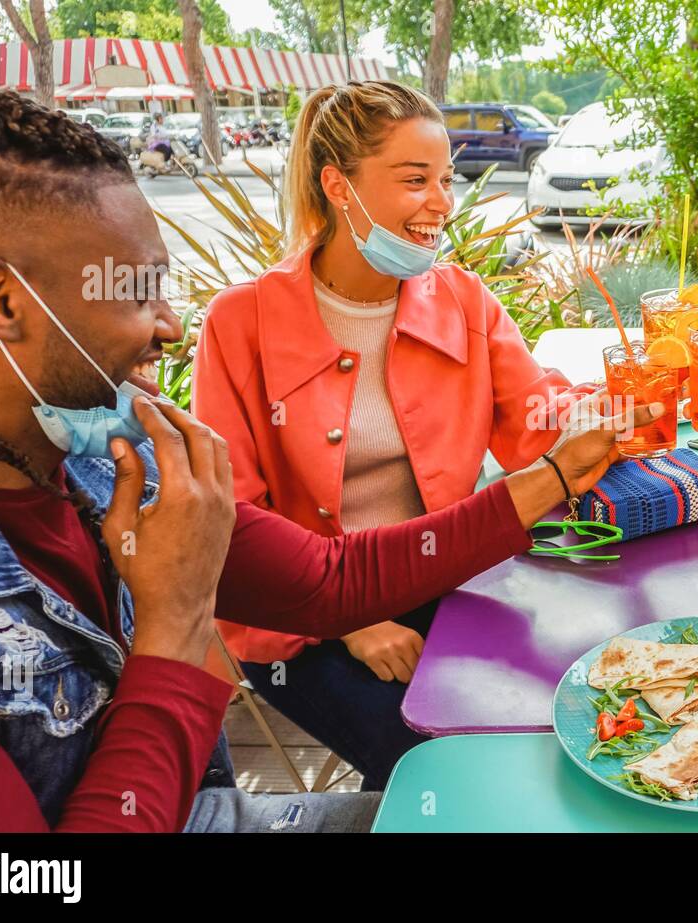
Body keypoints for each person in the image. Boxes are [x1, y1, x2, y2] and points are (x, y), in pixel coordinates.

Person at [0, 87, 660, 832]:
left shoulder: (105, 463)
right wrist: (177, 620)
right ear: (3, 301)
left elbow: (329, 576)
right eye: (138, 290)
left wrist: (559, 471)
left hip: (205, 803)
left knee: (478, 805)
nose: (171, 328)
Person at [192, 81, 589, 789]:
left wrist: (616, 403)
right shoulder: (239, 323)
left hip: (442, 577)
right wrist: (350, 618)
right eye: (415, 181)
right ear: (338, 186)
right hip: (300, 619)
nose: (443, 202)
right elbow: (231, 520)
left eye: (444, 179)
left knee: (565, 699)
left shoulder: (465, 301)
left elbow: (538, 429)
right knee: (435, 765)